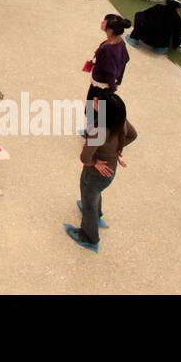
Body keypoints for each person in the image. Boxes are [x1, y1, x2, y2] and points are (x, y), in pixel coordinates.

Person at [66, 92, 137, 252]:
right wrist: (116, 151)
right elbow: (133, 135)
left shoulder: (99, 131)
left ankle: (89, 237)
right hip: (110, 172)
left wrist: (95, 162)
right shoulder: (120, 122)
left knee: (89, 199)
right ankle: (96, 215)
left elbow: (85, 157)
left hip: (94, 174)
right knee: (96, 194)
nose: (95, 101)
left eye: (98, 101)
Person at [83, 14, 131, 133]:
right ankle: (94, 131)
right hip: (107, 85)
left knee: (92, 109)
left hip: (101, 85)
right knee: (98, 109)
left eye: (105, 21)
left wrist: (112, 88)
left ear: (110, 29)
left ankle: (91, 133)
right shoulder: (119, 42)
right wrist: (117, 80)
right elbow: (125, 59)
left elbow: (110, 71)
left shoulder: (109, 49)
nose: (102, 22)